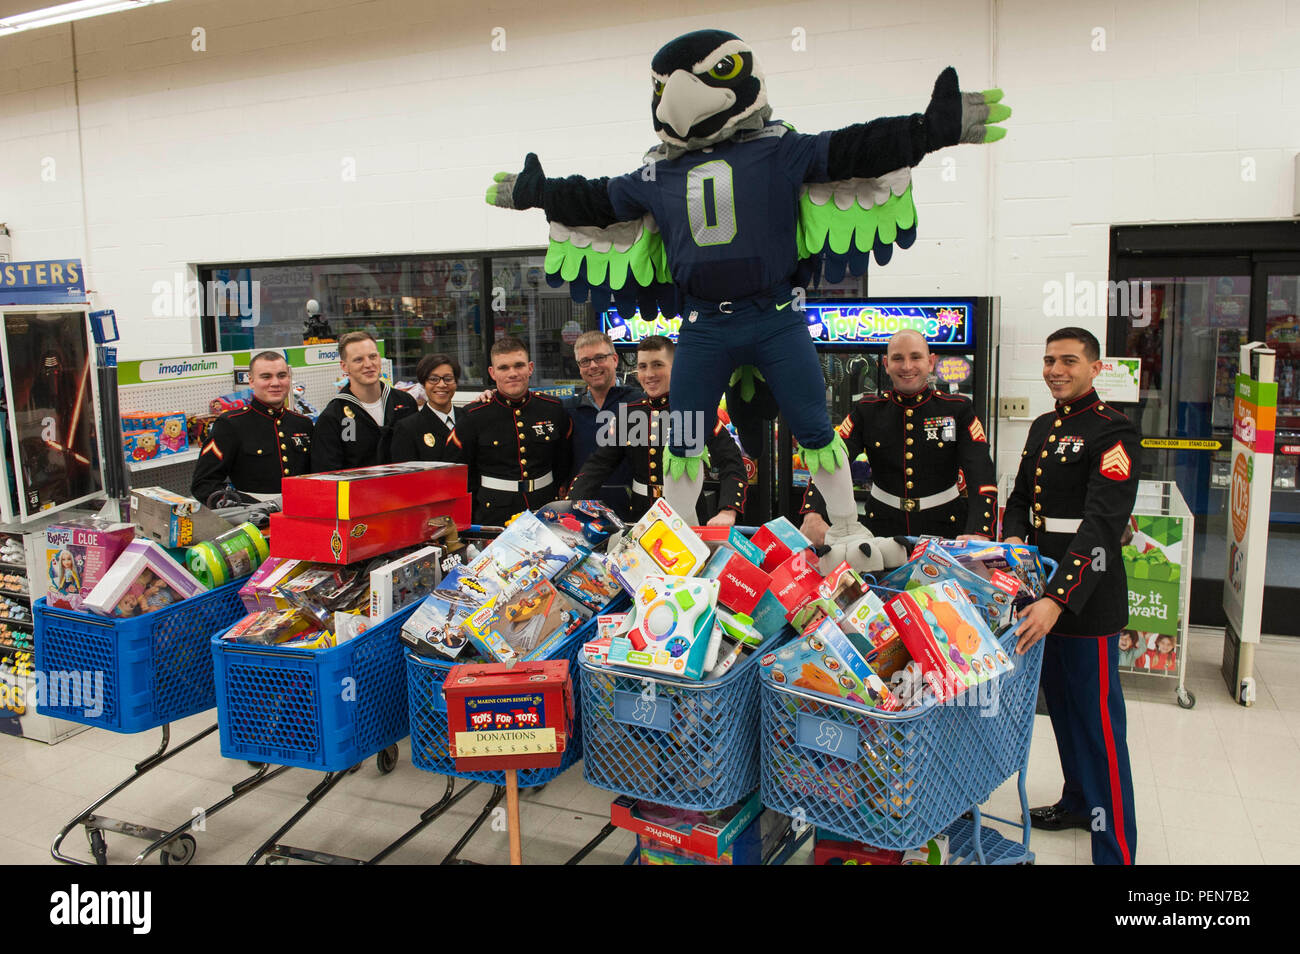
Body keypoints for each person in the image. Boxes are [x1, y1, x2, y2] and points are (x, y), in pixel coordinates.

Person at [1002, 326, 1141, 866]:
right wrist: (1012, 540)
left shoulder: (1115, 432)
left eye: (1068, 361)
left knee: (1100, 728)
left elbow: (1103, 526)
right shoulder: (1042, 425)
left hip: (1083, 603)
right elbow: (1018, 499)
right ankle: (1080, 803)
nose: (1055, 370)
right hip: (1037, 595)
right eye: (1048, 360)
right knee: (1060, 710)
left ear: (1094, 367)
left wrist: (1058, 599)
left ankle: (1117, 851)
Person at [799, 329, 998, 546]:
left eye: (915, 357)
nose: (906, 366)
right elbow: (832, 459)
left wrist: (980, 530)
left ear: (931, 362)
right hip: (882, 531)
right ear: (885, 364)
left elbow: (981, 476)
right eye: (897, 358)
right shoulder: (867, 411)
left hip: (945, 530)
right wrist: (813, 513)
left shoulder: (958, 410)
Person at [568, 335, 746, 524]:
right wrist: (570, 505)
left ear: (676, 368)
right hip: (641, 519)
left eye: (657, 365)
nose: (649, 374)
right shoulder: (628, 414)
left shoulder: (696, 411)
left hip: (687, 518)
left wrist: (728, 511)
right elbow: (597, 466)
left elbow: (732, 463)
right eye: (643, 366)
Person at [447, 337, 572, 524]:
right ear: (492, 373)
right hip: (494, 514)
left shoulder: (553, 409)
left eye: (519, 365)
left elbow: (565, 459)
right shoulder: (474, 415)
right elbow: (459, 474)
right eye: (503, 367)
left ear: (530, 368)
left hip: (544, 508)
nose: (512, 373)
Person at [192, 351, 314, 503]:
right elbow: (203, 484)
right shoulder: (231, 424)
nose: (275, 383)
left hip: (303, 510)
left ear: (289, 379)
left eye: (282, 375)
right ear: (251, 381)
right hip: (254, 515)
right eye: (266, 377)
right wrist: (244, 505)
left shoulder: (302, 423)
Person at [561, 331, 644, 516]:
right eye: (585, 361)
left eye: (599, 358)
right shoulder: (568, 410)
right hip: (582, 511)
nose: (593, 366)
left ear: (615, 359)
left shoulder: (639, 403)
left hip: (632, 511)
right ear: (579, 367)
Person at [311, 331, 418, 472]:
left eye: (372, 356)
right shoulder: (332, 417)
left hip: (403, 490)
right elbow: (327, 476)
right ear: (344, 366)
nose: (368, 364)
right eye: (358, 360)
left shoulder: (406, 403)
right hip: (358, 493)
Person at [389, 353, 460, 462]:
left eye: (448, 379)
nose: (441, 384)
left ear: (456, 382)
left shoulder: (469, 418)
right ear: (423, 384)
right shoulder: (408, 428)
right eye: (433, 379)